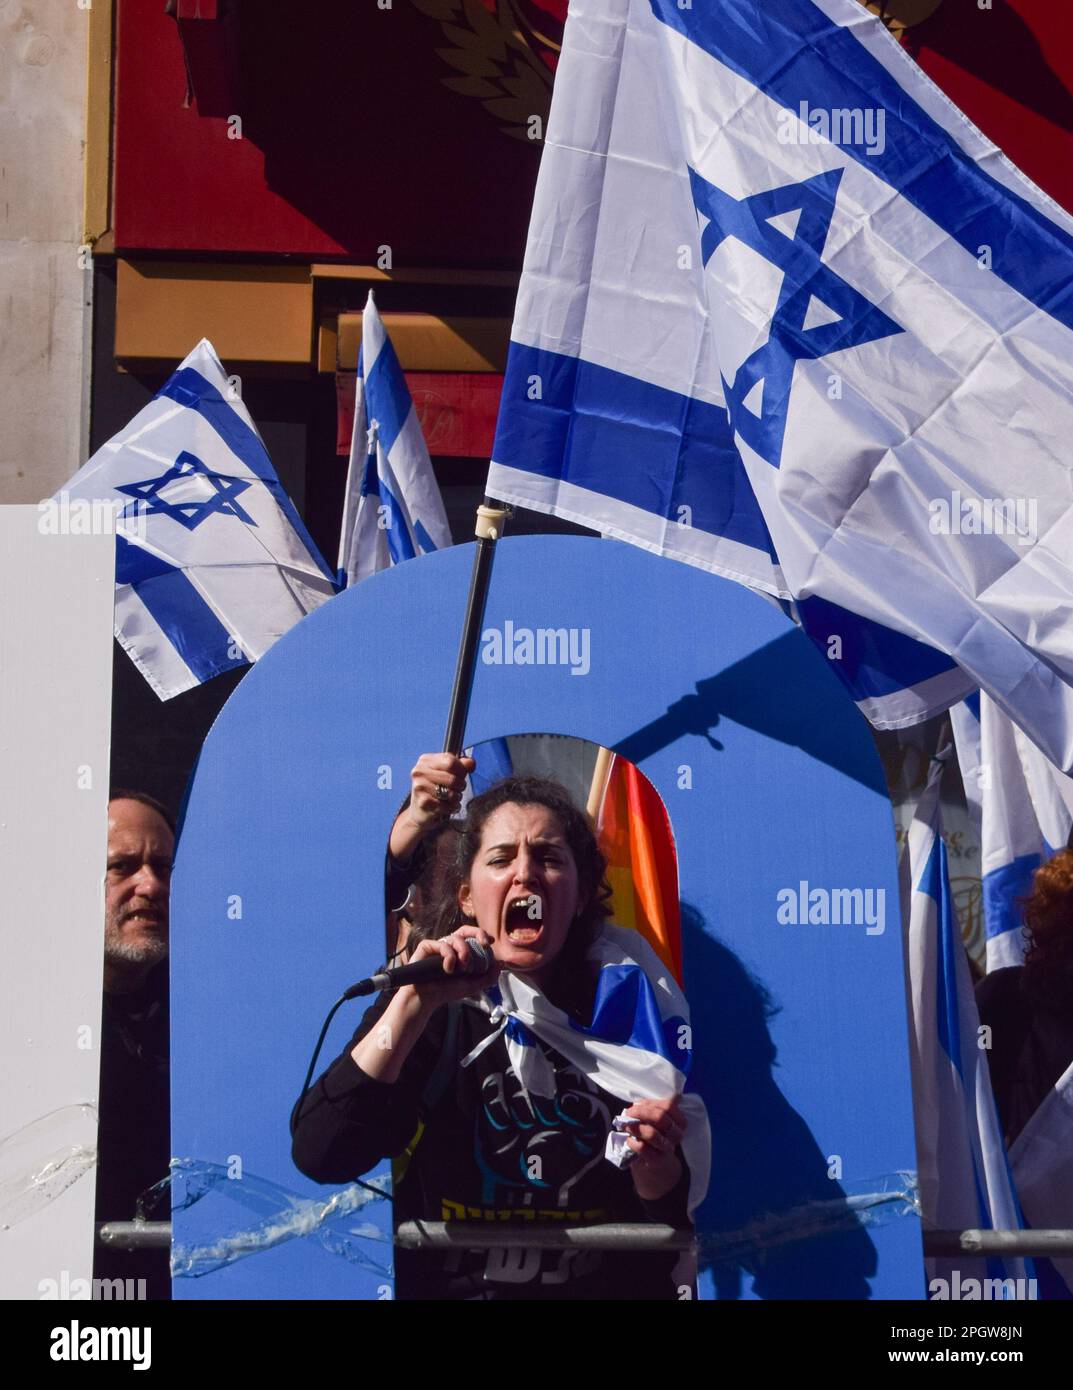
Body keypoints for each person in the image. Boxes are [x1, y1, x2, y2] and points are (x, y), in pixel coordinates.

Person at [292, 753, 705, 1300]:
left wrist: (656, 1172)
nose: (525, 873)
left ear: (581, 895)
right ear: (467, 897)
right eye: (501, 858)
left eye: (549, 858)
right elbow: (323, 1155)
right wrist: (411, 1006)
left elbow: (666, 1227)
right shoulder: (432, 1003)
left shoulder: (634, 1012)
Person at [94, 790, 174, 1301]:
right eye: (123, 866)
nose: (151, 885)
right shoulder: (23, 1022)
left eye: (163, 867)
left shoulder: (201, 1008)